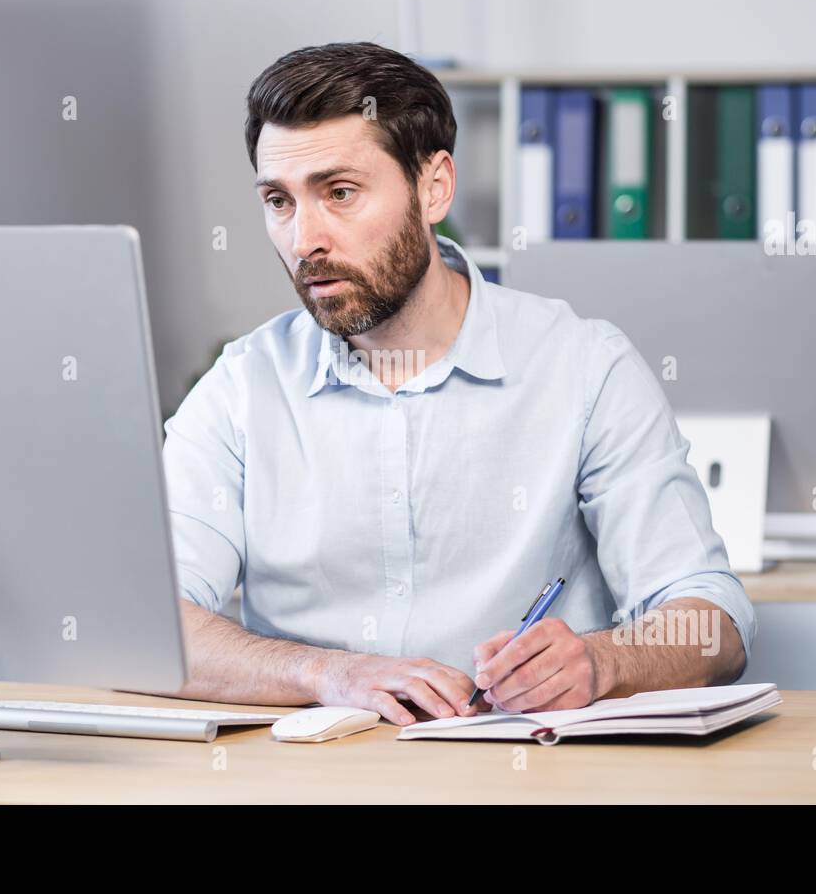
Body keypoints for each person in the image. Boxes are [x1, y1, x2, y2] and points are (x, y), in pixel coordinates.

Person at [163, 41, 755, 726]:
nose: (304, 240)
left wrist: (602, 663)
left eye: (341, 193)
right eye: (279, 201)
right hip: (315, 780)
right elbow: (150, 625)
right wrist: (329, 673)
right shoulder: (242, 387)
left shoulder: (583, 366)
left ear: (433, 186)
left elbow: (712, 621)